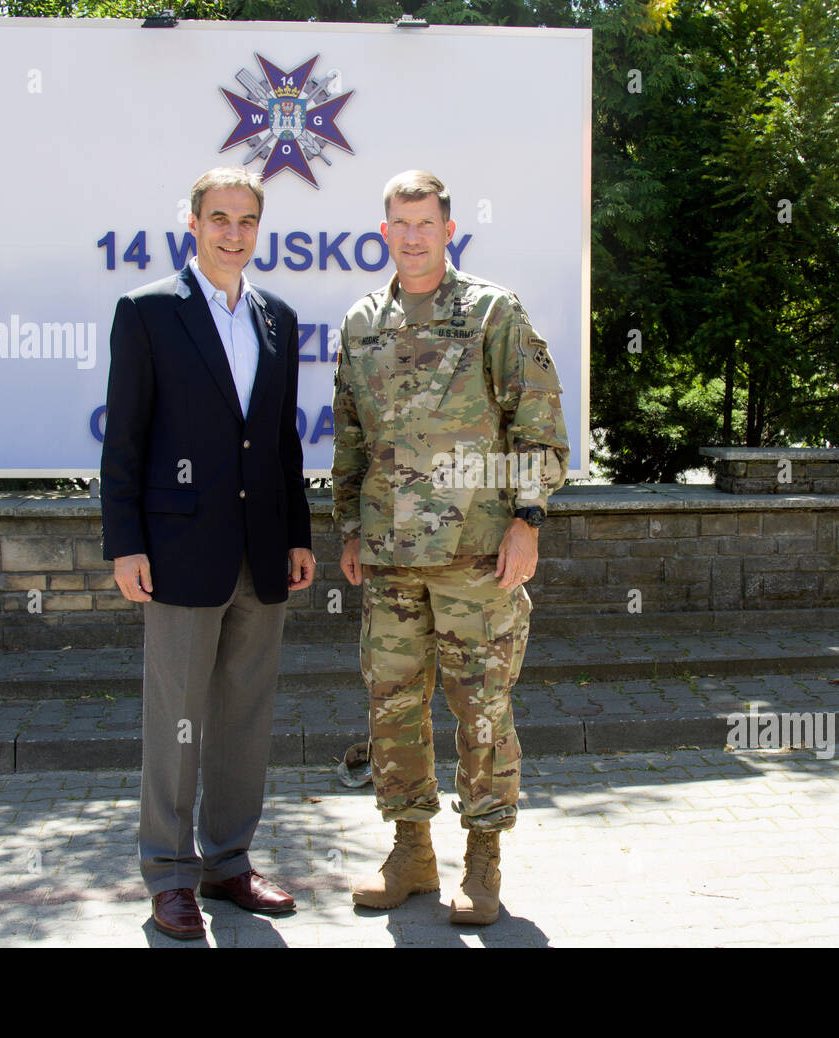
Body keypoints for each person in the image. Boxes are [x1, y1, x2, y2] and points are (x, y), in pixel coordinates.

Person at [331, 170, 568, 925]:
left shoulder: (493, 312)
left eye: (424, 224)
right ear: (384, 234)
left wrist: (527, 519)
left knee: (482, 713)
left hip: (478, 558)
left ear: (448, 231)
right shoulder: (362, 322)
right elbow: (349, 437)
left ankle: (484, 862)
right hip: (391, 560)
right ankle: (411, 854)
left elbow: (541, 427)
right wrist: (347, 528)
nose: (411, 236)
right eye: (398, 224)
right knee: (393, 709)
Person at [100, 166, 315, 941]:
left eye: (246, 220)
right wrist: (125, 544)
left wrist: (298, 533)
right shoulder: (149, 311)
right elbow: (122, 441)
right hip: (180, 550)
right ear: (191, 223)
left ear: (260, 228)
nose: (232, 232)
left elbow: (281, 441)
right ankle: (169, 873)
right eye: (218, 218)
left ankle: (228, 861)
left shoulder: (277, 318)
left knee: (244, 717)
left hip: (260, 553)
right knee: (177, 719)